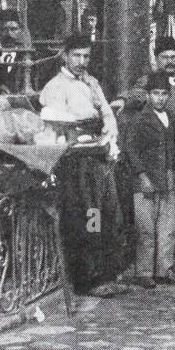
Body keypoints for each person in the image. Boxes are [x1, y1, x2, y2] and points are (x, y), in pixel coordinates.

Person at [40, 33, 124, 294]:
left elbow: (107, 114)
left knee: (106, 212)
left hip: (97, 155)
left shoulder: (92, 82)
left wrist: (109, 135)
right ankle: (89, 278)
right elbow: (56, 125)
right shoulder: (55, 87)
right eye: (76, 55)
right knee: (89, 216)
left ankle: (107, 271)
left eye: (86, 56)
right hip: (76, 161)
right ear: (65, 55)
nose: (82, 61)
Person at [118, 36, 175, 256]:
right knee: (171, 193)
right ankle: (172, 245)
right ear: (156, 59)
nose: (170, 61)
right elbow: (136, 93)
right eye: (165, 57)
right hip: (170, 144)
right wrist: (122, 99)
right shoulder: (150, 80)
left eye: (174, 56)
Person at [125, 71, 175, 288]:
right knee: (146, 228)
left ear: (169, 95)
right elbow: (130, 149)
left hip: (168, 177)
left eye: (164, 94)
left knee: (167, 226)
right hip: (146, 180)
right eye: (156, 93)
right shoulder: (140, 119)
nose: (160, 98)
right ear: (148, 95)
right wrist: (142, 175)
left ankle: (164, 269)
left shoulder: (173, 119)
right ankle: (144, 271)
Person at [0, 9, 32, 95]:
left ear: (20, 30)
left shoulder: (26, 57)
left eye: (13, 29)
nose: (9, 34)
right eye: (4, 29)